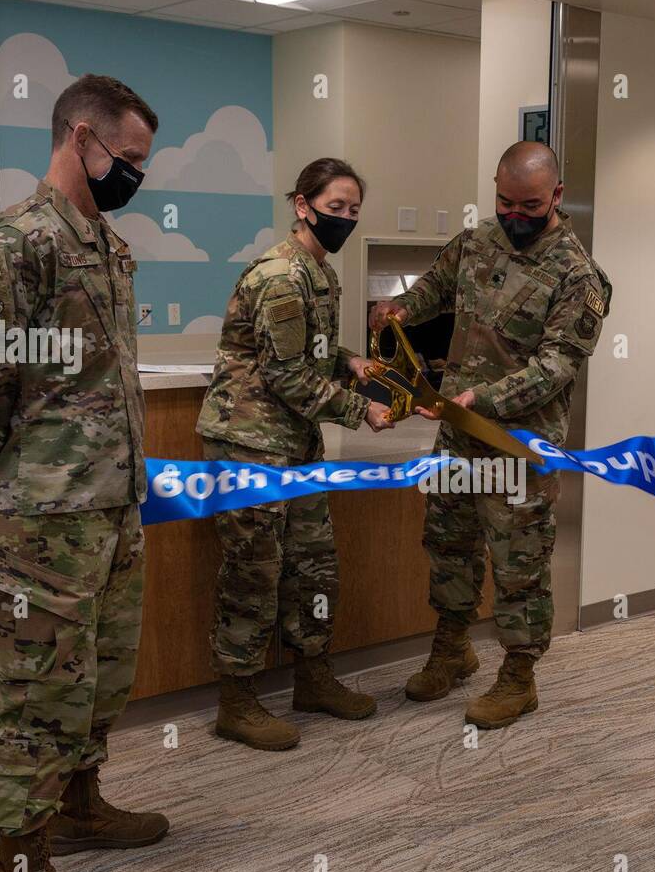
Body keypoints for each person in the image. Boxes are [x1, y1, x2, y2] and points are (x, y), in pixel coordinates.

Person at [0, 74, 167, 872]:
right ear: (82, 137)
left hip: (111, 507)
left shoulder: (106, 245)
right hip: (49, 518)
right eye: (129, 158)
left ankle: (80, 801)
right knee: (38, 691)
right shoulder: (16, 243)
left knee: (100, 673)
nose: (136, 175)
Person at [369, 142, 611, 730]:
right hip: (455, 438)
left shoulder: (578, 276)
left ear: (556, 196)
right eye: (505, 201)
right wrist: (399, 310)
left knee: (518, 562)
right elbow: (434, 290)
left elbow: (558, 365)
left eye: (530, 204)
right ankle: (452, 649)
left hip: (517, 447)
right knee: (448, 543)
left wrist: (486, 399)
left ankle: (519, 677)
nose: (515, 215)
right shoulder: (477, 241)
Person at [197, 158, 394, 751]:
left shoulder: (319, 272)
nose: (347, 218)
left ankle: (313, 677)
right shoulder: (280, 277)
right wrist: (364, 410)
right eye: (336, 207)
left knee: (313, 564)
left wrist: (349, 361)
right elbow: (286, 376)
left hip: (296, 445)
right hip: (250, 446)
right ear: (303, 206)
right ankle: (238, 702)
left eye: (355, 210)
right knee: (253, 572)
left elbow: (312, 351)